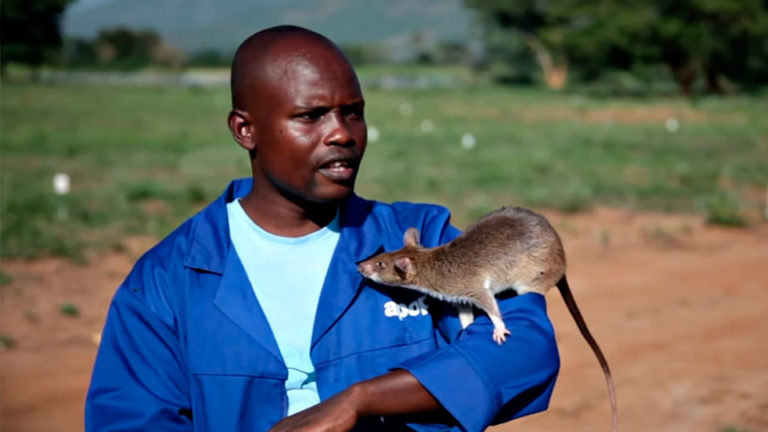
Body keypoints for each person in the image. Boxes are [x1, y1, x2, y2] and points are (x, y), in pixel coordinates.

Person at [85, 25, 559, 432]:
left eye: (353, 112)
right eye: (310, 116)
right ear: (244, 130)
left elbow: (526, 347)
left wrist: (361, 399)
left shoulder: (421, 237)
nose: (342, 134)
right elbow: (130, 417)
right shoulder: (168, 280)